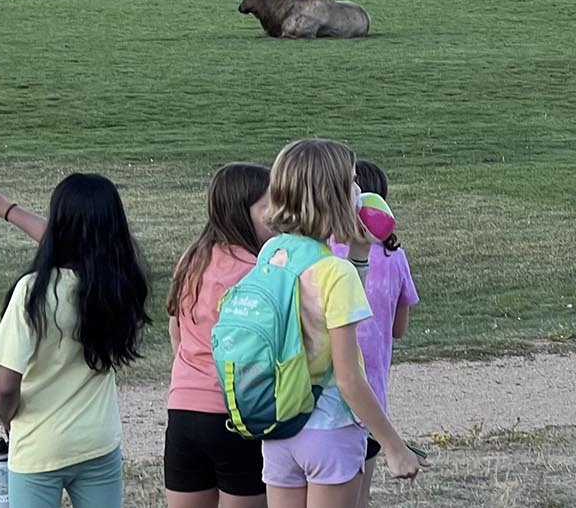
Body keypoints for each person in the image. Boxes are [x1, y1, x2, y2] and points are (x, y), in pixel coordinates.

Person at [260, 139, 428, 508]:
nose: (358, 192)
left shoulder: (273, 252)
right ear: (332, 195)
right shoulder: (335, 272)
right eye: (351, 182)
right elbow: (349, 378)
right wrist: (394, 446)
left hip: (280, 425)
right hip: (329, 429)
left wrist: (360, 252)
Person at [0, 174, 150, 508]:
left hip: (38, 447)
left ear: (59, 225)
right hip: (98, 443)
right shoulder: (120, 283)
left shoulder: (32, 293)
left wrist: (7, 419)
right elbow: (85, 247)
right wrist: (7, 210)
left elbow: (5, 388)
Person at [165, 163, 275, 508]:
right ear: (241, 212)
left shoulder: (192, 260)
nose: (278, 216)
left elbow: (176, 329)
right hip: (235, 417)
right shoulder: (257, 271)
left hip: (182, 411)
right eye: (268, 207)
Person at [329, 160, 420, 508]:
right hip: (371, 394)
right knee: (359, 496)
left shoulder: (328, 248)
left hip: (323, 393)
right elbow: (399, 329)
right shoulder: (394, 256)